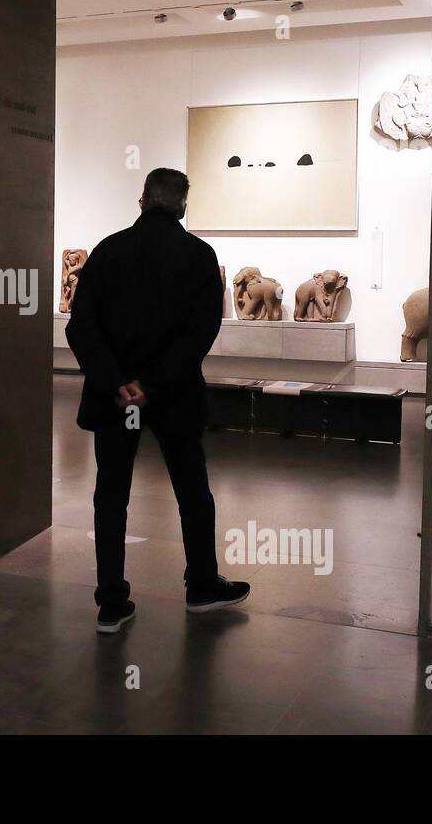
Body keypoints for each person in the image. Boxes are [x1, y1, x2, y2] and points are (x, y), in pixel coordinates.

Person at [66, 167, 251, 633]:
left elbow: (80, 324)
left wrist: (117, 382)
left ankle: (111, 601)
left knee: (111, 495)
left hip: (114, 399)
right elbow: (198, 335)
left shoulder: (108, 251)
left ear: (142, 200)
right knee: (192, 491)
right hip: (174, 397)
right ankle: (201, 586)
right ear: (183, 205)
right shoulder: (199, 256)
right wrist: (153, 384)